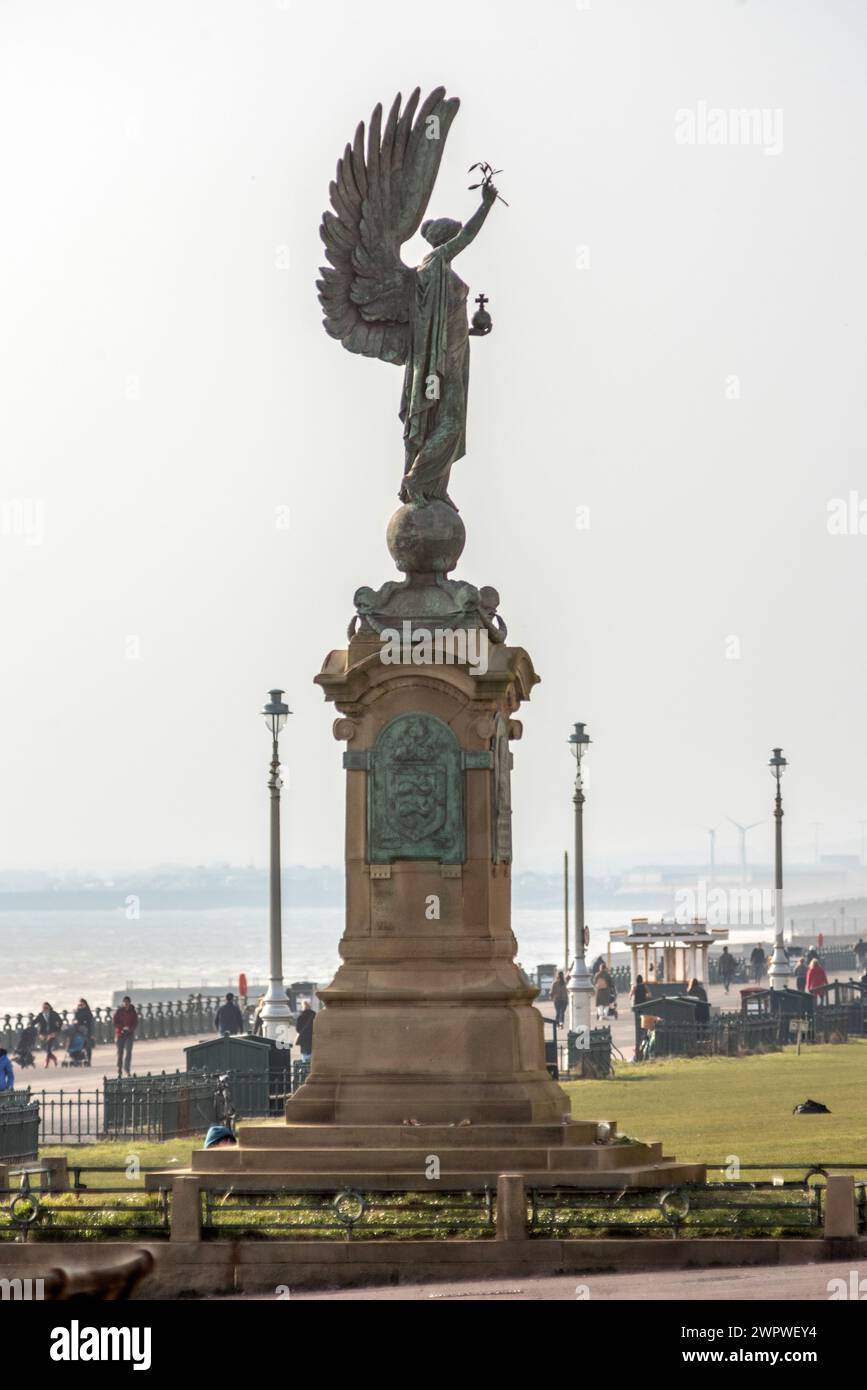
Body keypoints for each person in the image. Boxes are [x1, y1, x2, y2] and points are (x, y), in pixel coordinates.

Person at [112, 996, 138, 1077]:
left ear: (129, 1003)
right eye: (124, 1003)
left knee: (129, 1052)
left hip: (129, 1035)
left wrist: (130, 1029)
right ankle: (119, 1069)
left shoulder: (133, 1012)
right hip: (120, 1034)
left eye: (127, 1003)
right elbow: (114, 1022)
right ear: (123, 1003)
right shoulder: (119, 1011)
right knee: (120, 1053)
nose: (126, 1004)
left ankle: (127, 1069)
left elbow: (135, 1023)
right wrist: (121, 1028)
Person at [34, 1002, 62, 1067]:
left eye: (46, 1008)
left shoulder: (54, 1014)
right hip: (43, 1034)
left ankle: (47, 1061)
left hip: (52, 1033)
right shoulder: (41, 1015)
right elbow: (35, 1021)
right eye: (44, 1008)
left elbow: (60, 1021)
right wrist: (31, 1025)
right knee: (44, 1048)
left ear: (49, 1008)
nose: (45, 1009)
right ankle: (54, 1058)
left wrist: (57, 1030)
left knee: (48, 1047)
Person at [74, 998, 95, 1064]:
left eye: (82, 1004)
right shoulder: (78, 1011)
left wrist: (92, 1033)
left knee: (88, 1046)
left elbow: (91, 1023)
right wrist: (77, 1010)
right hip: (79, 1031)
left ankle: (89, 1060)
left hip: (87, 1031)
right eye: (80, 1004)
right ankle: (78, 1058)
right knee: (79, 1045)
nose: (81, 1005)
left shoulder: (88, 1012)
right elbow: (76, 1020)